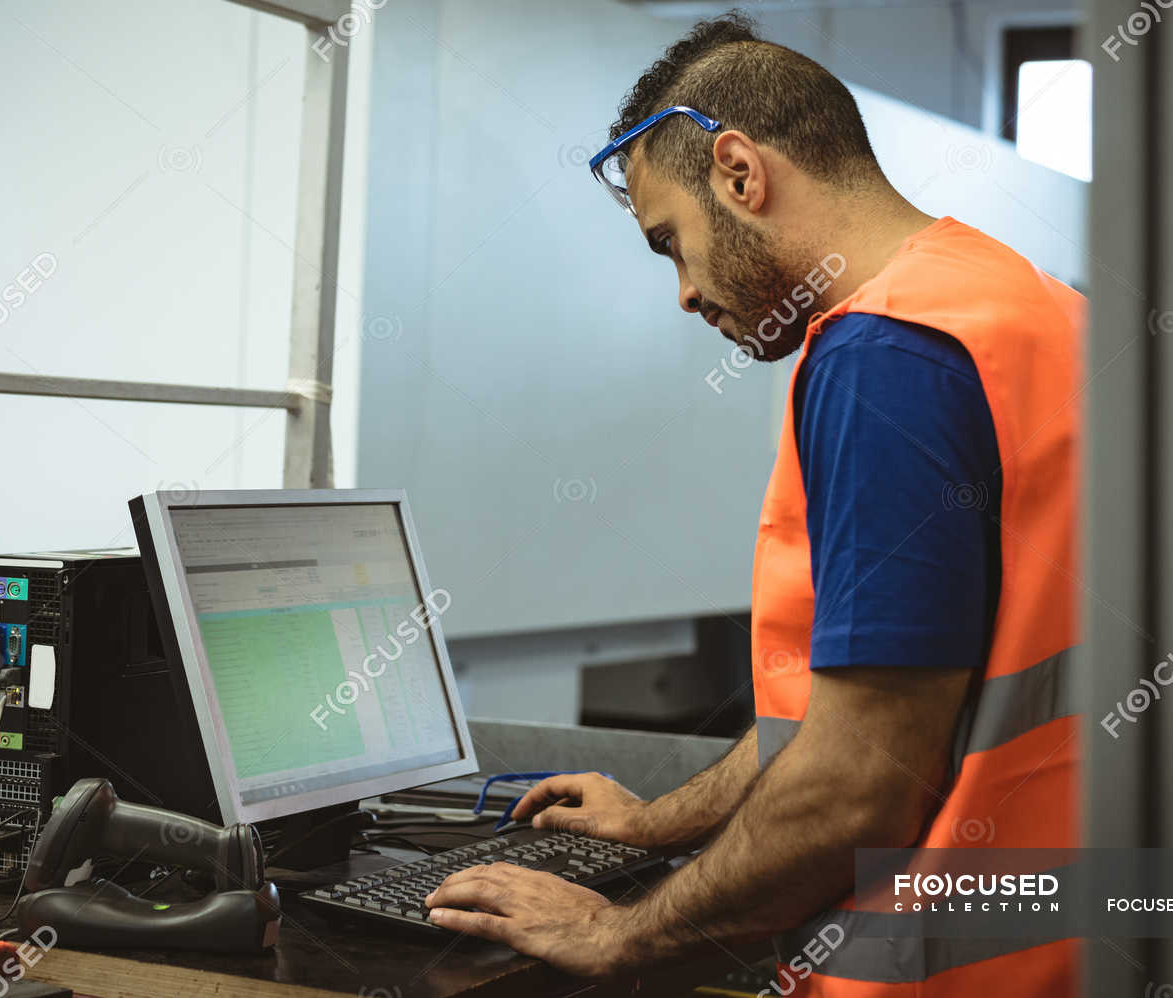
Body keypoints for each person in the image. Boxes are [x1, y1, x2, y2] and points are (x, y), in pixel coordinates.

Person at [424, 14, 1085, 995]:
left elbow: (860, 783)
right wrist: (654, 823)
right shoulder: (1023, 303)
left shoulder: (886, 356)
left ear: (740, 174)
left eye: (669, 244)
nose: (685, 294)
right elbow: (846, 714)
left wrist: (622, 933)